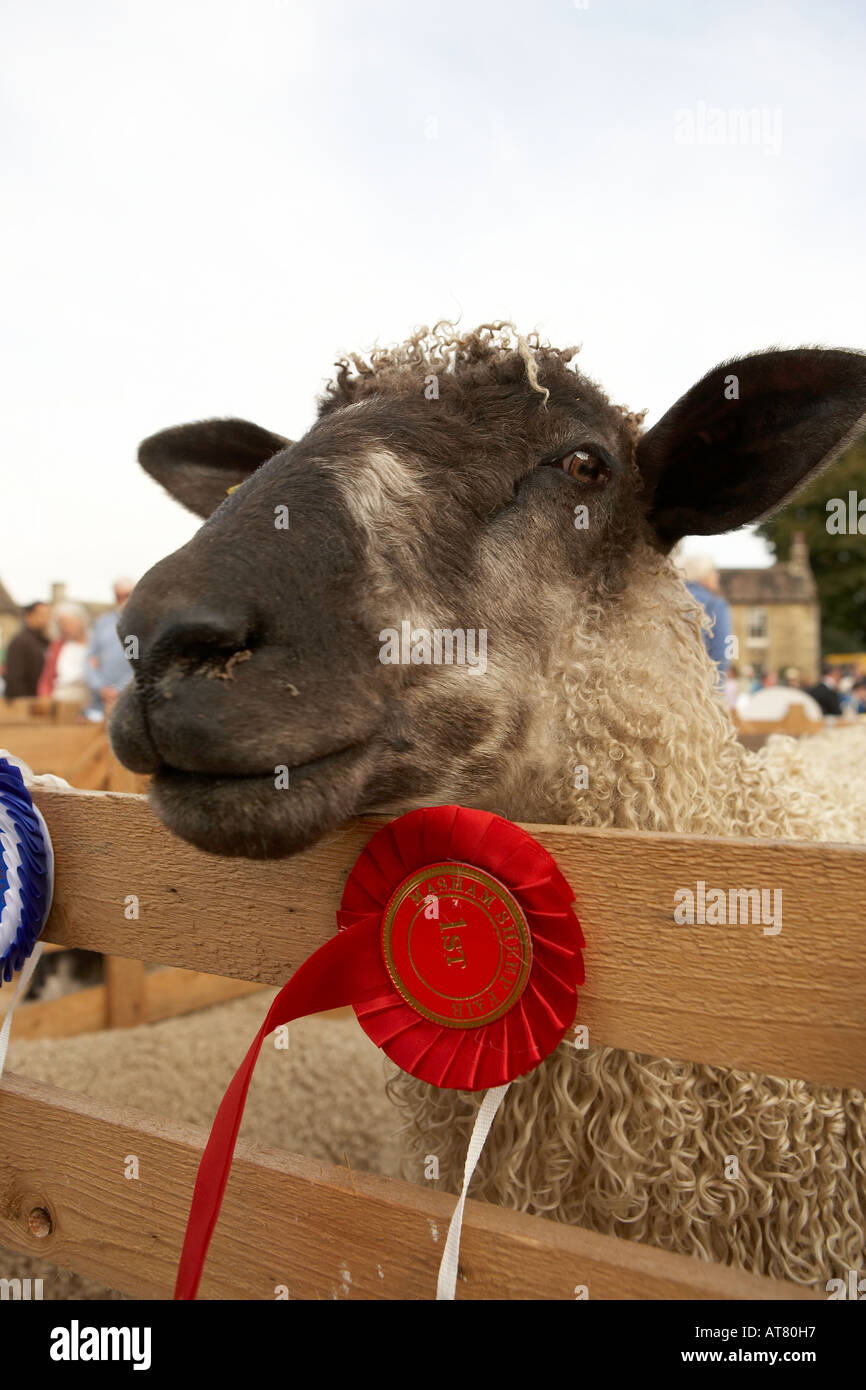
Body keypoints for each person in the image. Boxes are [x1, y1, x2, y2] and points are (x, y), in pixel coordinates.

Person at [86, 578, 136, 717]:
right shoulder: (102, 624)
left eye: (127, 595)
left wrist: (118, 689)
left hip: (127, 701)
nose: (122, 600)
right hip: (99, 703)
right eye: (118, 596)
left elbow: (135, 663)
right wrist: (100, 688)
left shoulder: (136, 626)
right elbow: (90, 660)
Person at [681, 554, 732, 682]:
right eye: (713, 571)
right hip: (702, 685)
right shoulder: (716, 605)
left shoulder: (668, 600)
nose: (717, 576)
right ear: (702, 574)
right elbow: (724, 652)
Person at [38, 603, 90, 704]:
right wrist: (44, 697)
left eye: (69, 623)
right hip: (61, 694)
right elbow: (47, 676)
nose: (65, 628)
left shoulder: (95, 643)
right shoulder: (57, 645)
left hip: (87, 694)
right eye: (62, 624)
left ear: (82, 621)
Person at [3, 601, 51, 700]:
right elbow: (14, 678)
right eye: (41, 615)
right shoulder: (19, 642)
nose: (45, 619)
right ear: (29, 616)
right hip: (26, 702)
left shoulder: (45, 642)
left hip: (40, 700)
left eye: (47, 615)